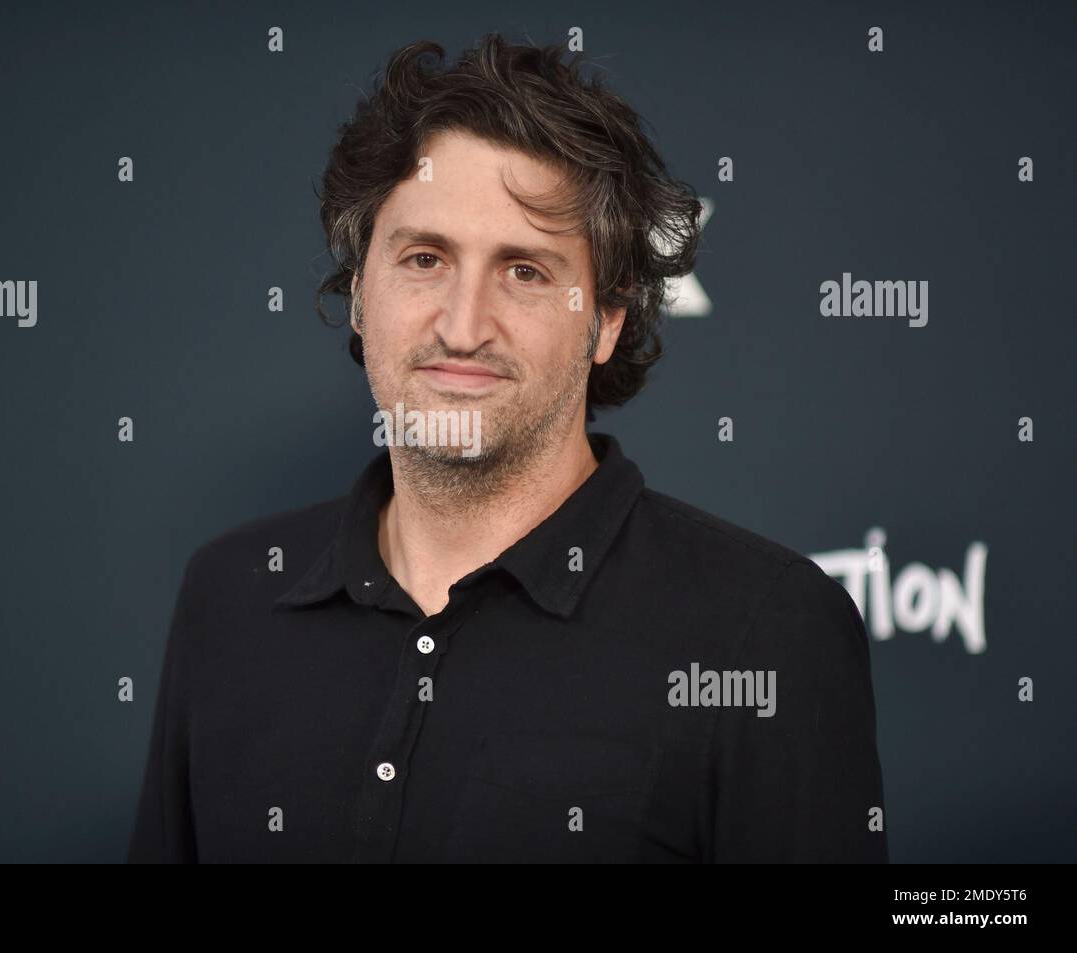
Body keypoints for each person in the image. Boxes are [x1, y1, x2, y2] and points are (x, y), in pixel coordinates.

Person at [128, 34, 887, 863]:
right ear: (358, 293)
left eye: (524, 271)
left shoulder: (767, 628)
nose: (462, 325)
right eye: (424, 258)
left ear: (606, 320)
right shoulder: (231, 594)